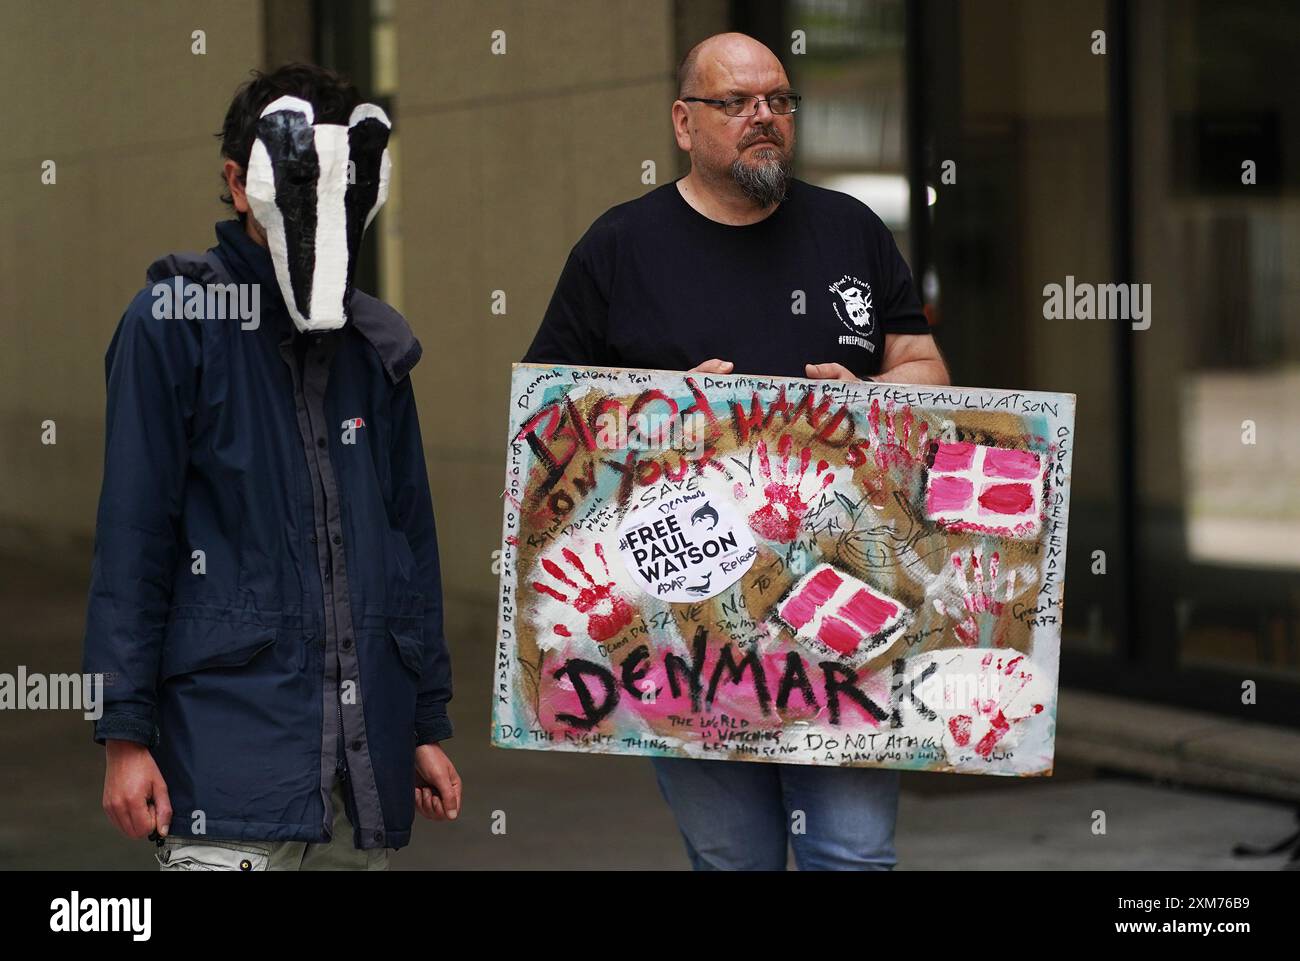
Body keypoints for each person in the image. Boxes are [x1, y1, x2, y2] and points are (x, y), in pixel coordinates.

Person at [522, 33, 950, 870]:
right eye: (737, 103)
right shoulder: (619, 247)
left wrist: (878, 398)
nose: (765, 118)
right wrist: (650, 416)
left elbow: (921, 364)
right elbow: (546, 425)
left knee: (854, 854)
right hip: (684, 621)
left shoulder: (851, 229)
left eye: (780, 101)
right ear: (684, 122)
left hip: (851, 610)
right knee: (733, 860)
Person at [83, 63, 461, 871]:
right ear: (236, 181)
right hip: (225, 760)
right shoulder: (176, 319)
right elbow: (133, 536)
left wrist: (422, 720)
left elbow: (408, 541)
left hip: (356, 773)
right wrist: (123, 734)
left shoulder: (375, 344)